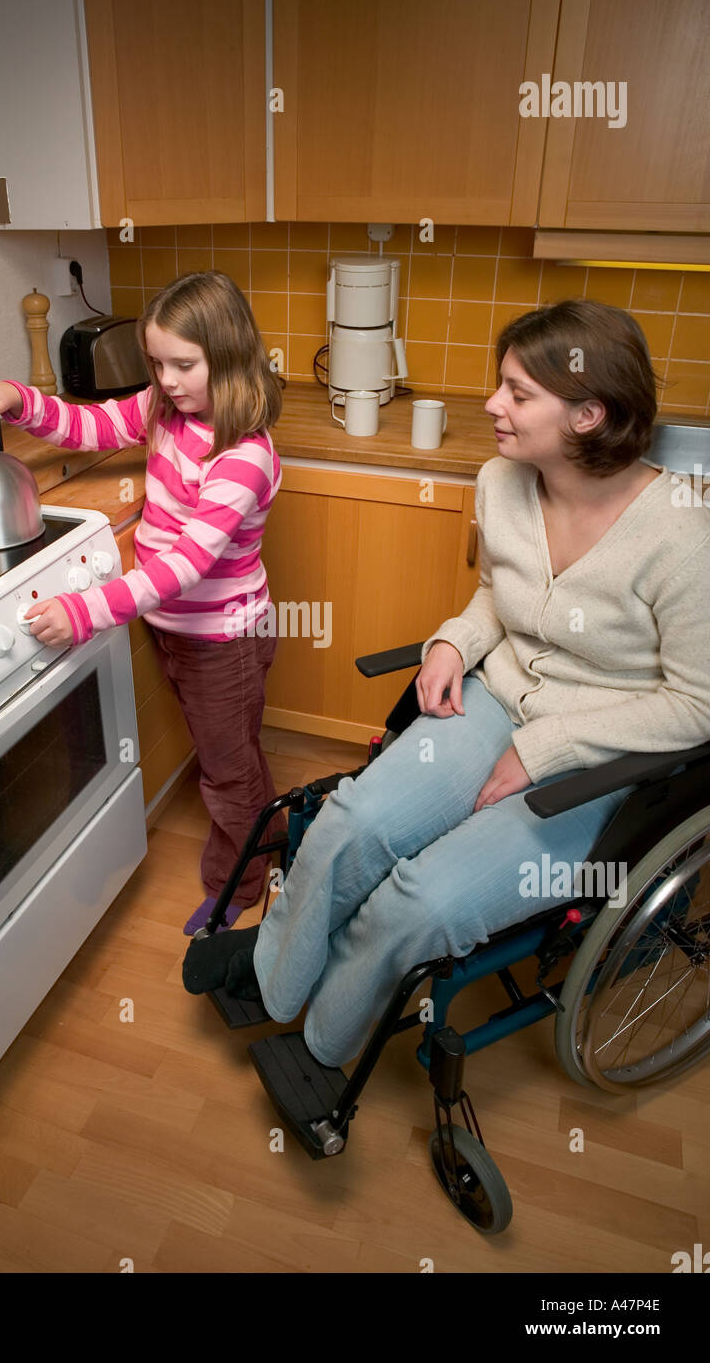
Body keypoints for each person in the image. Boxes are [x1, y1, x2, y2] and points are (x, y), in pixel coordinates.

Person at [183, 298, 710, 1069]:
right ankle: (274, 978)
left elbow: (696, 704)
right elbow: (499, 597)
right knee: (348, 823)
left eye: (518, 394)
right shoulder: (503, 481)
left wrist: (548, 748)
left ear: (589, 415)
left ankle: (326, 1043)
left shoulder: (682, 536)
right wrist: (448, 647)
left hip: (605, 757)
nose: (491, 405)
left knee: (424, 900)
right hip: (493, 701)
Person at [0, 271, 284, 936]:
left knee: (225, 772)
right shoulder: (167, 410)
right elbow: (90, 424)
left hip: (223, 641)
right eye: (157, 363)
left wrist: (81, 613)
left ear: (229, 356)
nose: (166, 379)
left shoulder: (242, 457)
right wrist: (15, 399)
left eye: (183, 364)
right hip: (182, 635)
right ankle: (275, 836)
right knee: (234, 756)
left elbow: (182, 569)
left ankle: (240, 885)